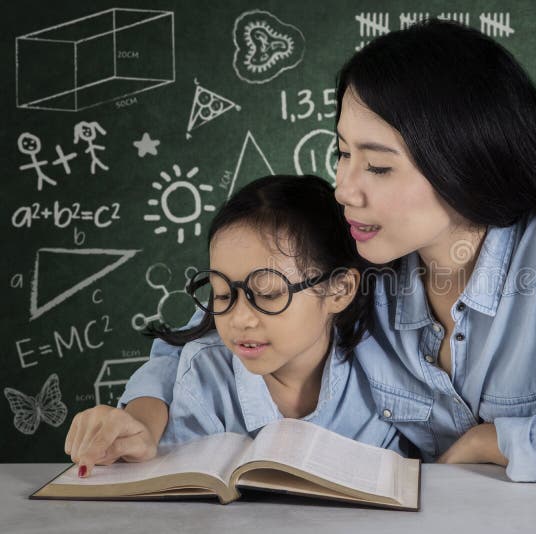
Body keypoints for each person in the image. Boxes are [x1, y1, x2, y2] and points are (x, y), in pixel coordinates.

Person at [66, 20, 536, 496]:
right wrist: (141, 418)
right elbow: (208, 330)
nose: (344, 187)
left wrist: (500, 440)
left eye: (378, 165)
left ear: (461, 162)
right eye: (342, 154)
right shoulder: (366, 255)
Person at [64, 175, 403, 478]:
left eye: (268, 294)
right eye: (223, 293)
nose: (239, 319)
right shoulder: (204, 377)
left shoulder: (384, 367)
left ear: (339, 290)